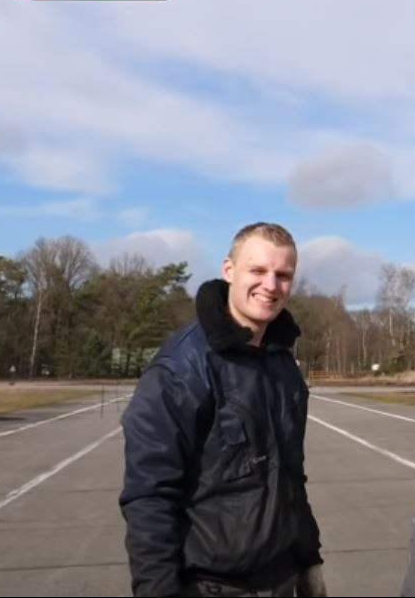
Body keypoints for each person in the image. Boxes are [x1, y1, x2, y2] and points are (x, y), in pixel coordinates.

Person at [119, 223, 326, 597]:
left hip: (280, 578)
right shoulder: (181, 368)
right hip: (211, 585)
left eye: (283, 275)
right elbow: (150, 496)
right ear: (229, 271)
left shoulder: (282, 366)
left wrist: (309, 558)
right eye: (258, 270)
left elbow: (291, 477)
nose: (271, 285)